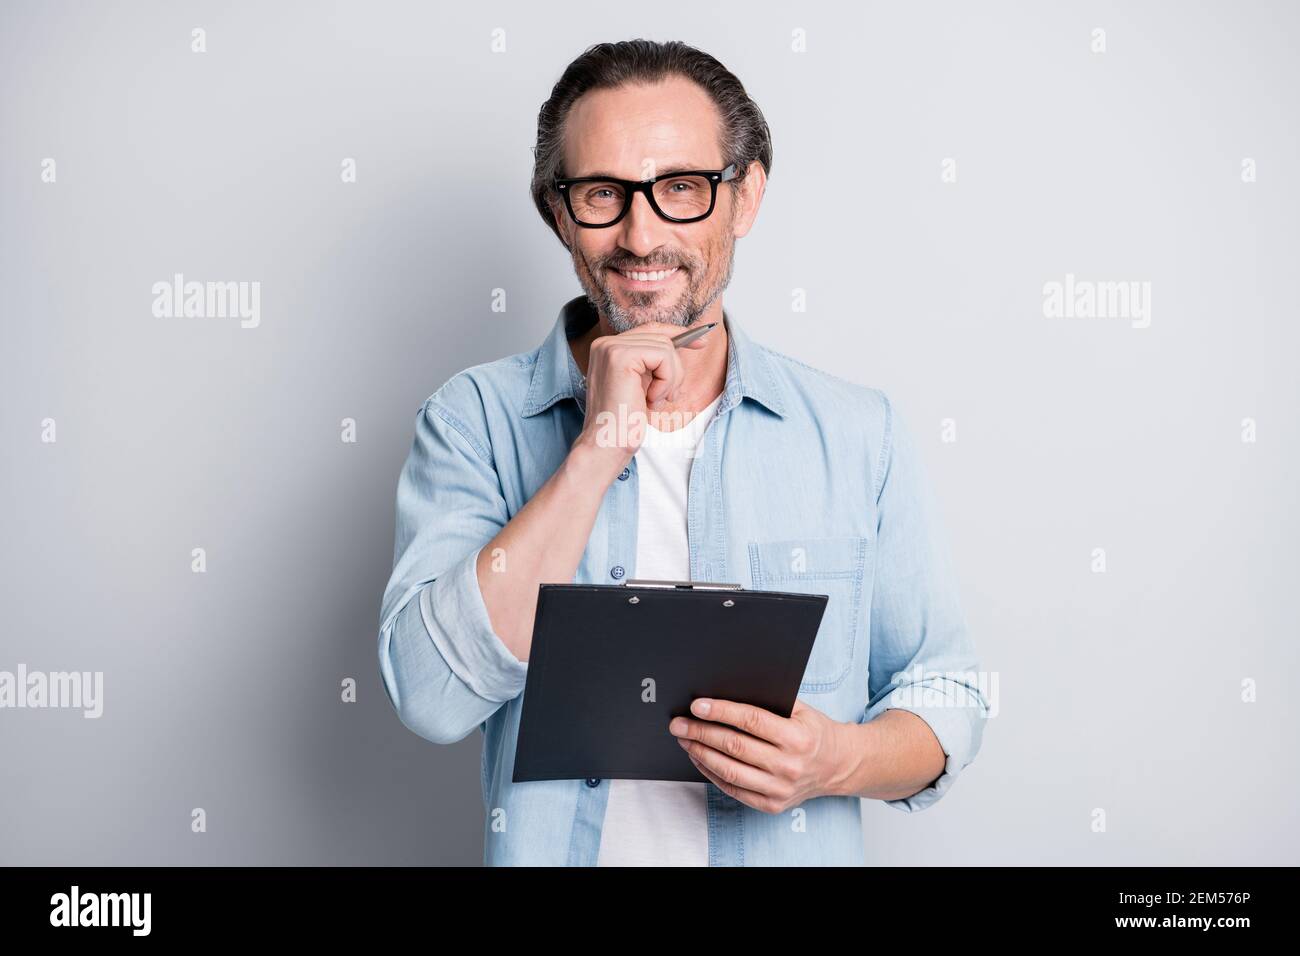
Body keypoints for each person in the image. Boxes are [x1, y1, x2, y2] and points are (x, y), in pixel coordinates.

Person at [378, 39, 987, 866]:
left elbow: (944, 692)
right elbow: (431, 696)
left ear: (746, 198)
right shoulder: (473, 420)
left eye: (680, 189)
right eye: (602, 193)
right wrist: (597, 451)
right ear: (559, 213)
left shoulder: (857, 432)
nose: (640, 234)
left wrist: (835, 761)